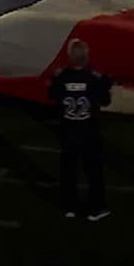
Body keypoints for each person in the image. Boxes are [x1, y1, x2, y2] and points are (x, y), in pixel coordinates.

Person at [48, 39, 113, 221]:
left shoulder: (62, 77)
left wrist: (56, 79)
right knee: (93, 172)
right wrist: (104, 81)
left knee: (68, 170)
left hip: (68, 131)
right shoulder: (92, 78)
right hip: (88, 132)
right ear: (86, 56)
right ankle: (96, 207)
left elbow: (53, 95)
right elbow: (106, 100)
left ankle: (69, 206)